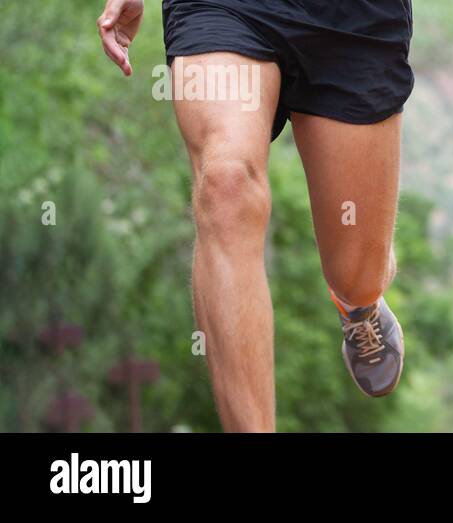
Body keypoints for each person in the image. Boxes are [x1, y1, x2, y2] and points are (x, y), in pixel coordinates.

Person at [96, 0, 414, 432]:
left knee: (356, 275)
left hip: (352, 17)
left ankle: (358, 305)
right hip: (224, 9)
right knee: (225, 185)